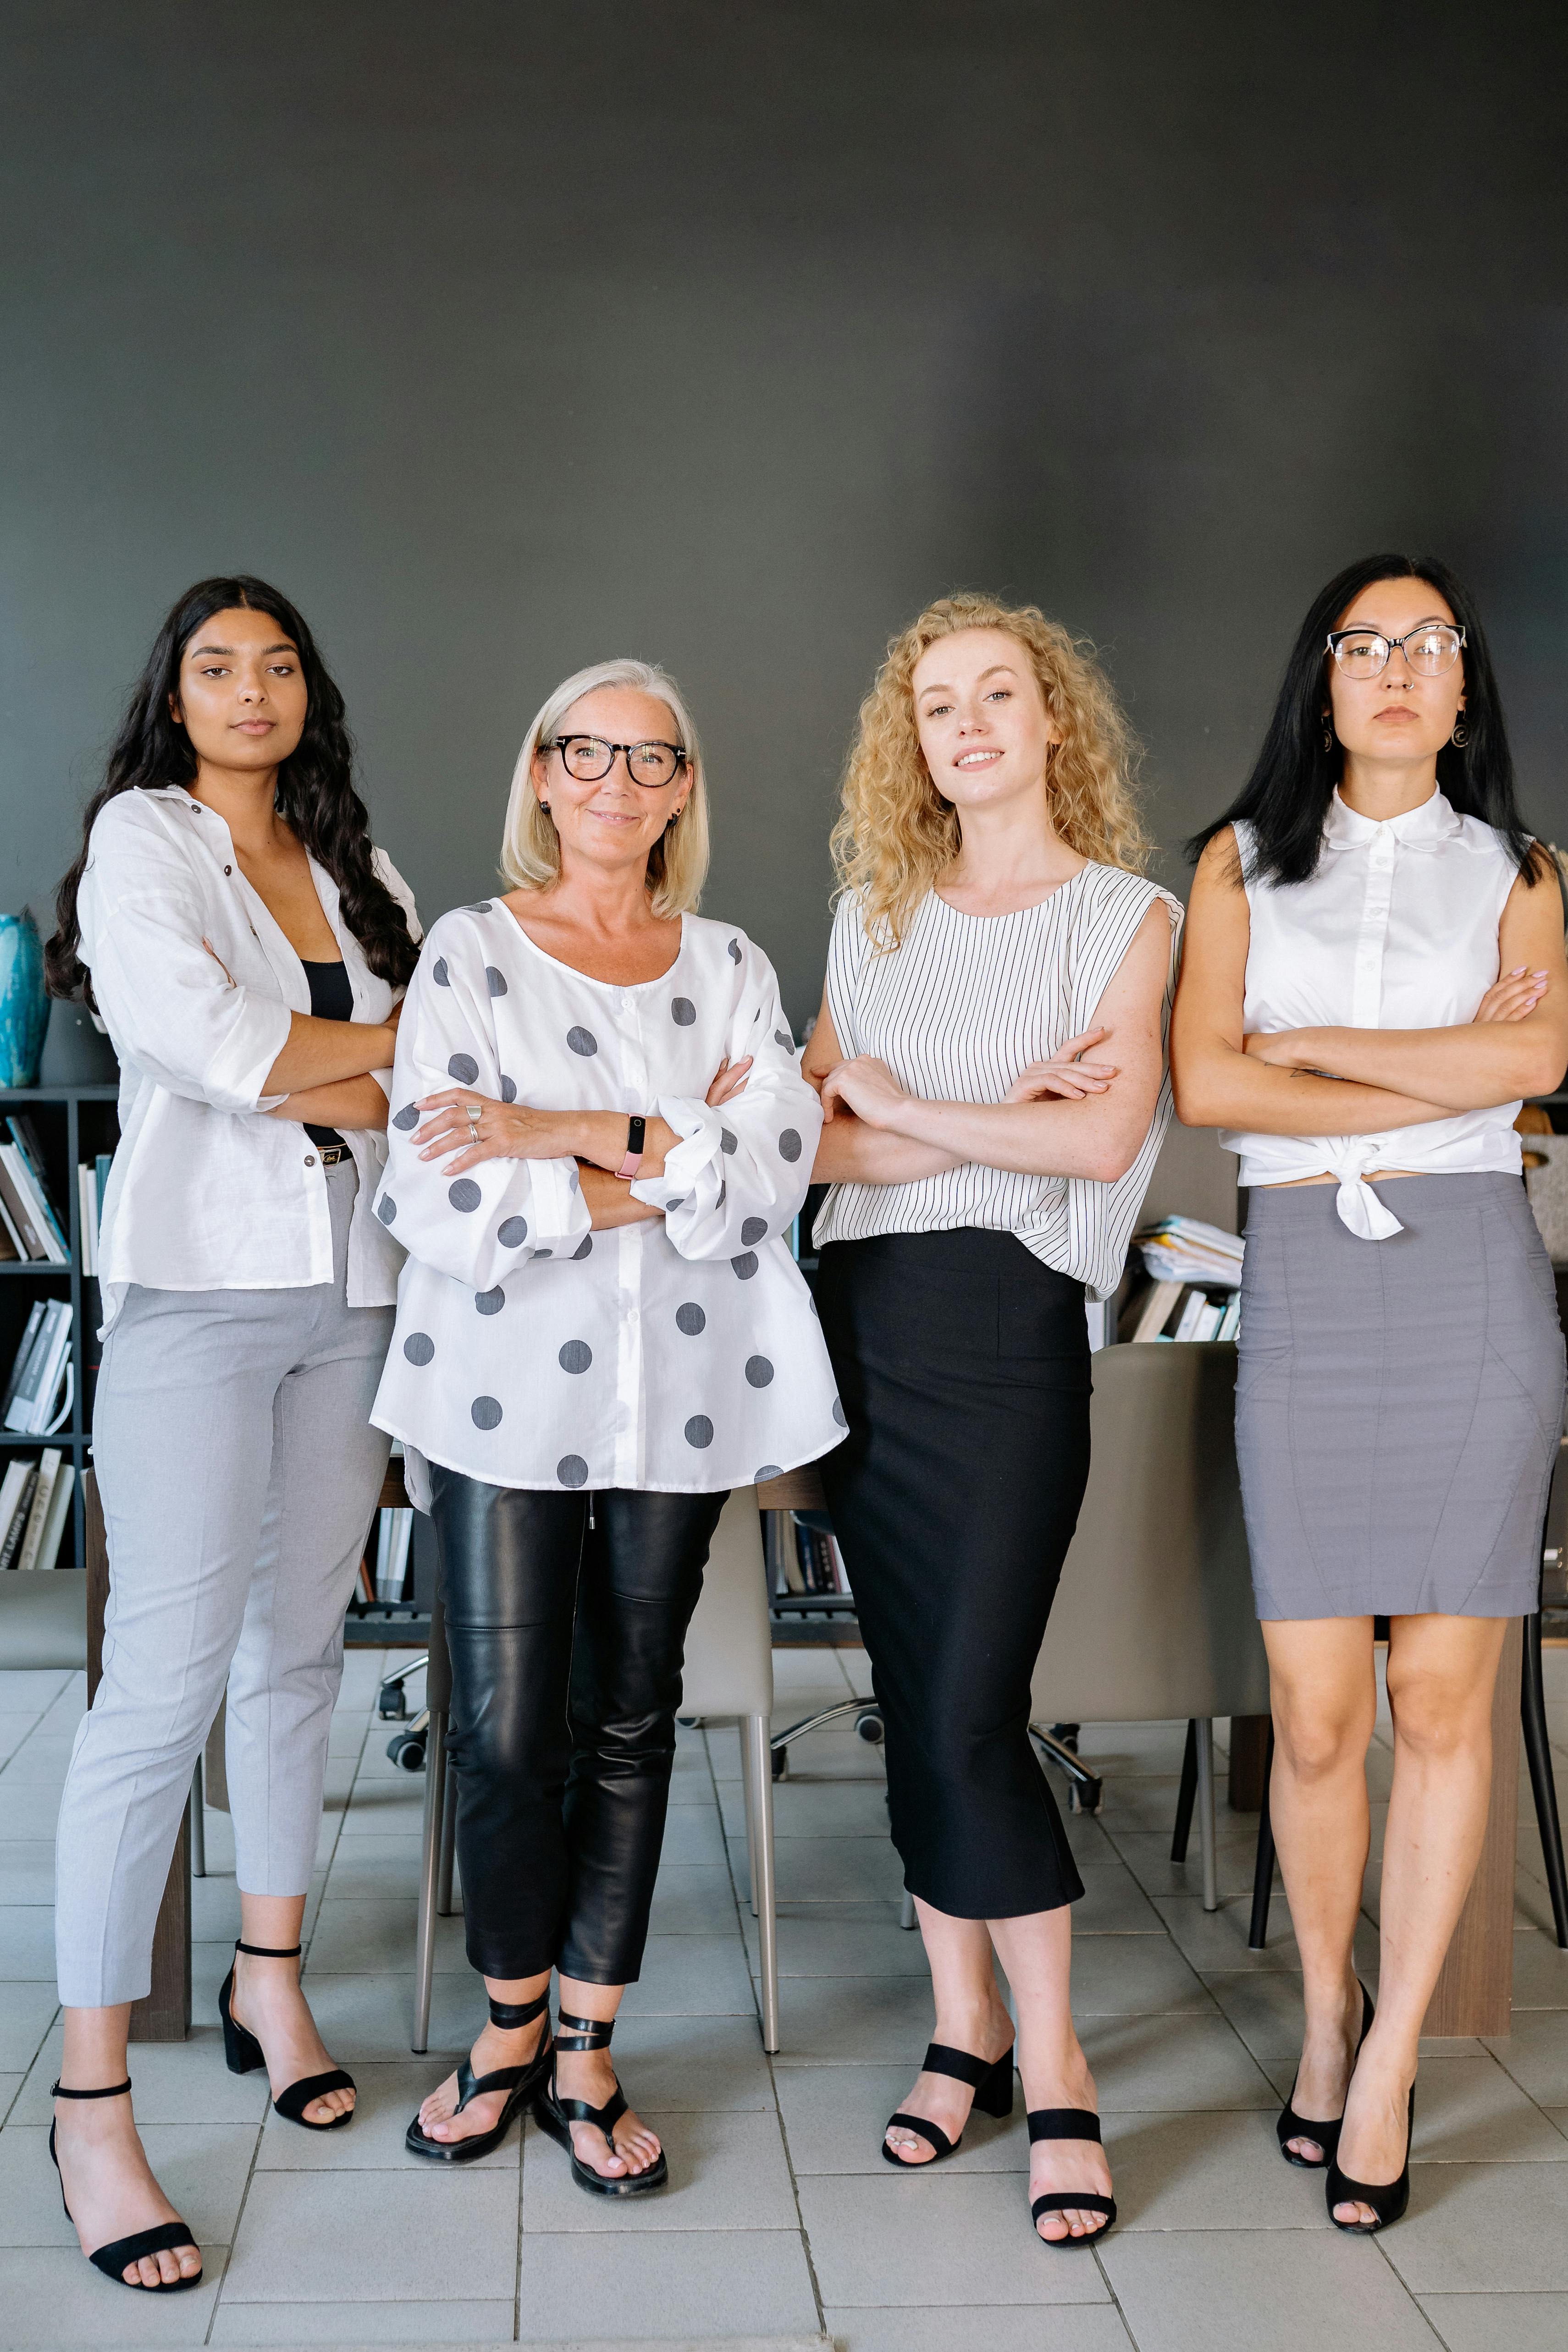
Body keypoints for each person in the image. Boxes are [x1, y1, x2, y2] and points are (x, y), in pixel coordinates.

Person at [373, 657, 841, 2193]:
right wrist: (668, 1152)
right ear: (545, 772)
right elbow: (439, 1192)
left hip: (677, 1404)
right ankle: (505, 2023)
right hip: (495, 1400)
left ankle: (586, 2038)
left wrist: (567, 1130)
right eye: (591, 753)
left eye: (653, 759)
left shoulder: (728, 962)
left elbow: (770, 1168)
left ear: (684, 787)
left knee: (629, 1719)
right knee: (509, 1734)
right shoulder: (468, 950)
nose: (619, 783)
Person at [1171, 553, 1568, 2232]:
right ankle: (1323, 2012)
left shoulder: (1526, 870)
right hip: (1312, 1292)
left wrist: (1309, 1052)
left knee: (1445, 1709)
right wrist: (1414, 1057)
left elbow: (1533, 1069)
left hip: (1476, 1279)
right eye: (1365, 646)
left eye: (1429, 647)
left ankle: (1393, 2054)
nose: (1398, 669)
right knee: (1322, 1714)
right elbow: (1204, 1081)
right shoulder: (1238, 862)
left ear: (1463, 687)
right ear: (1318, 679)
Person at [43, 575, 419, 2293]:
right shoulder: (144, 840)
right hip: (200, 1297)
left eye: (278, 664)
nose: (250, 689)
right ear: (174, 691)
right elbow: (202, 1045)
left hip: (357, 1289)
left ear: (309, 692)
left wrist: (324, 1063)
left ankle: (269, 1979)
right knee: (158, 1689)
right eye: (216, 664)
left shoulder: (362, 865)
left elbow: (433, 1071)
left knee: (300, 1657)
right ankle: (93, 2101)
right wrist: (365, 1061)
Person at [802, 593, 1181, 2246]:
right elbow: (806, 1147)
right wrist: (970, 1118)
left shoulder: (1129, 917)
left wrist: (899, 1100)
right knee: (909, 1689)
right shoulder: (868, 912)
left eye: (997, 694)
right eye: (935, 703)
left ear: (1052, 722)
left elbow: (1100, 1155)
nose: (965, 724)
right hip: (865, 1329)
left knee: (971, 1697)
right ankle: (961, 2028)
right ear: (915, 742)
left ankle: (1059, 2057)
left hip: (1012, 1331)